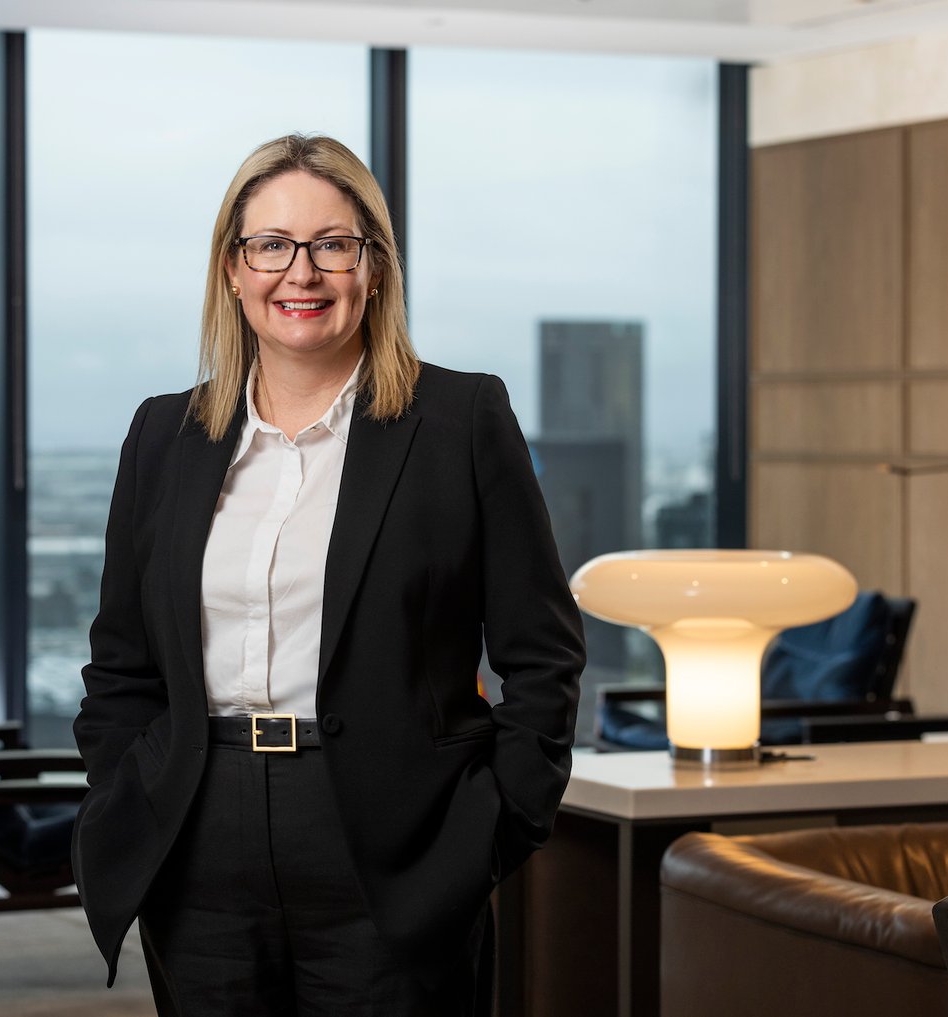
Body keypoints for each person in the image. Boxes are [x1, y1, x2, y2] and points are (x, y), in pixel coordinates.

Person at [71, 133, 584, 1016]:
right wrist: (124, 784)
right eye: (271, 245)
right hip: (195, 833)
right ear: (233, 270)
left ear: (373, 268)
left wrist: (495, 825)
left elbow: (541, 651)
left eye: (332, 245)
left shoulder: (459, 420)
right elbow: (122, 658)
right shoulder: (163, 434)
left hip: (396, 842)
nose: (300, 273)